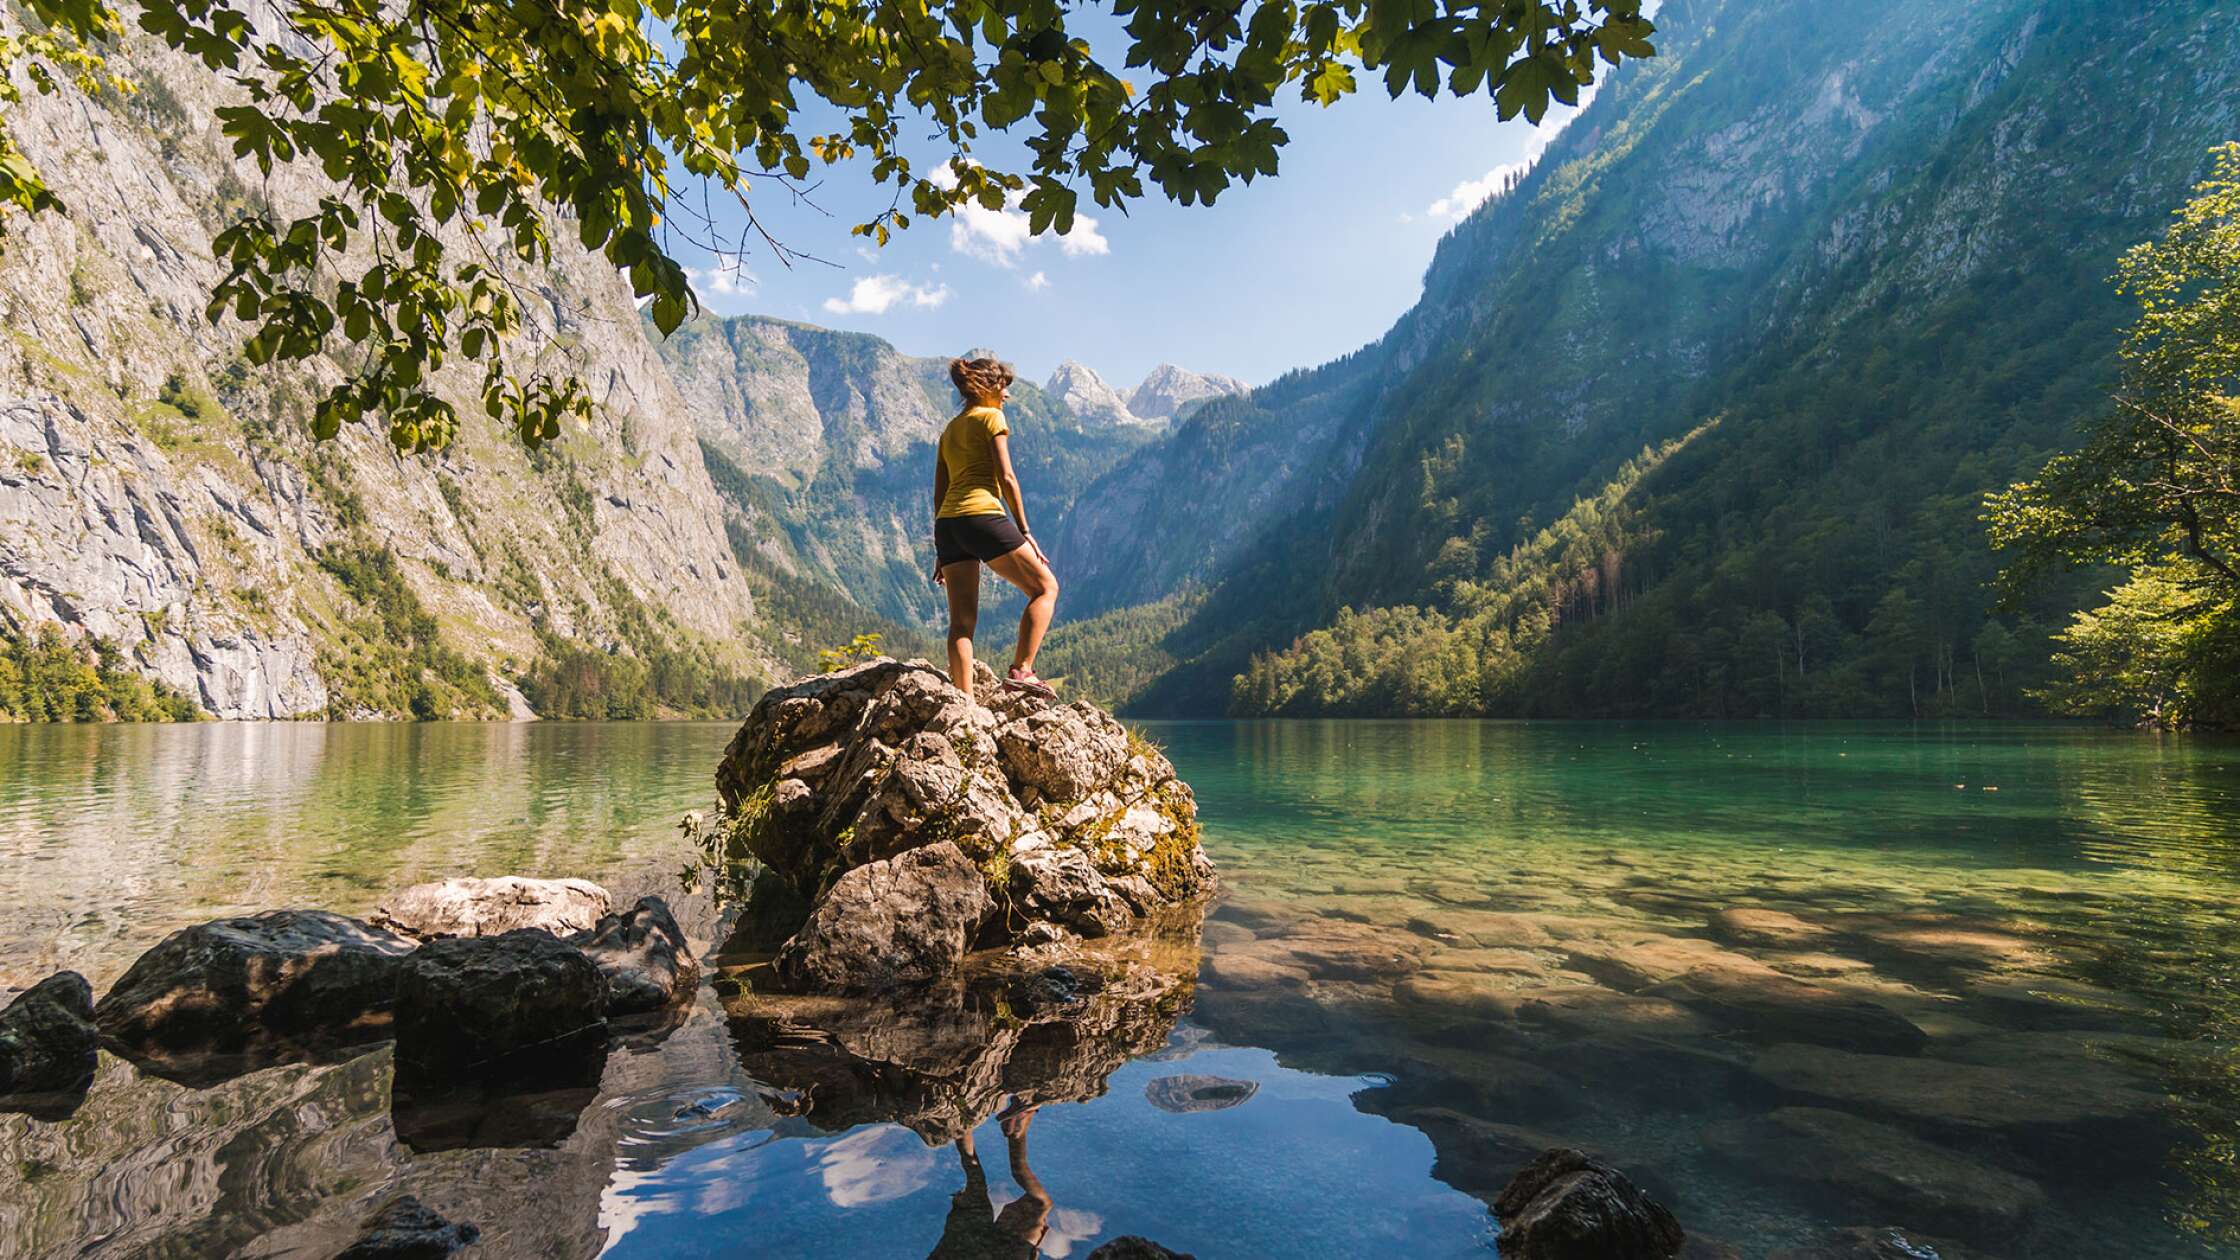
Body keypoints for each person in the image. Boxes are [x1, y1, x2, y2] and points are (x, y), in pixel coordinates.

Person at [932, 356, 1059, 703]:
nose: (1006, 397)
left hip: (948, 525)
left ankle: (964, 705)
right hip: (982, 515)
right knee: (1045, 587)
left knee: (961, 624)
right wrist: (1025, 530)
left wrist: (941, 550)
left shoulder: (949, 431)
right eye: (1003, 388)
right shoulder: (992, 418)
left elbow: (939, 492)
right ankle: (1022, 671)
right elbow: (1007, 477)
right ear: (987, 387)